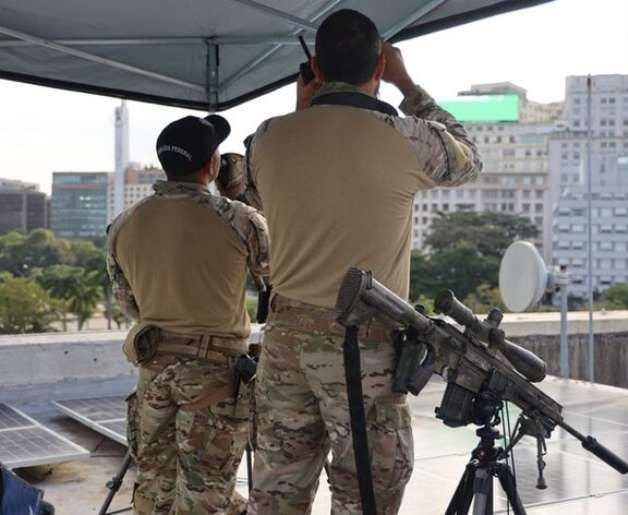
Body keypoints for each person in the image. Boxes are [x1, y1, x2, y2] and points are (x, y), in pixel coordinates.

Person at [232, 8, 481, 515]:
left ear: (316, 69)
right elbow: (469, 156)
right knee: (368, 490)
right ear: (378, 68)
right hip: (361, 346)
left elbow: (257, 197)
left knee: (277, 492)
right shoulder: (406, 136)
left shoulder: (267, 138)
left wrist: (302, 112)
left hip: (284, 346)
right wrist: (407, 83)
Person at [106, 114, 269, 515]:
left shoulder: (124, 224)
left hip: (153, 372)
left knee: (155, 488)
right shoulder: (239, 219)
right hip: (213, 376)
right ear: (212, 165)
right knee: (205, 493)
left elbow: (128, 303)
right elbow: (278, 272)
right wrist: (244, 195)